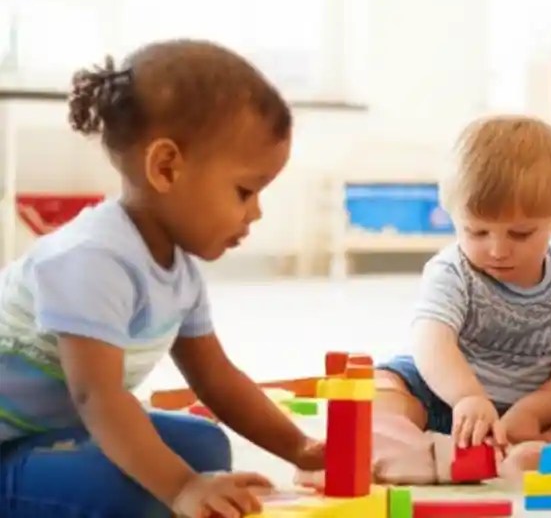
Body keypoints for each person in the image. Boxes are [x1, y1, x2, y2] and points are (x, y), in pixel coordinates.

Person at [0, 39, 324, 518]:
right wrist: (180, 488)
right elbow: (99, 397)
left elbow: (217, 378)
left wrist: (300, 448)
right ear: (166, 167)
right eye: (245, 191)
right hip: (14, 443)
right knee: (148, 493)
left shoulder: (178, 268)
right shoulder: (92, 259)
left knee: (206, 447)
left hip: (62, 429)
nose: (255, 213)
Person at [367, 115, 551, 484]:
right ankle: (420, 450)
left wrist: (531, 413)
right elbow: (431, 340)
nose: (497, 250)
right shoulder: (452, 270)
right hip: (437, 396)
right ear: (453, 217)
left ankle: (515, 456)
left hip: (520, 414)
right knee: (380, 393)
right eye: (476, 231)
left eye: (520, 234)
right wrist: (466, 397)